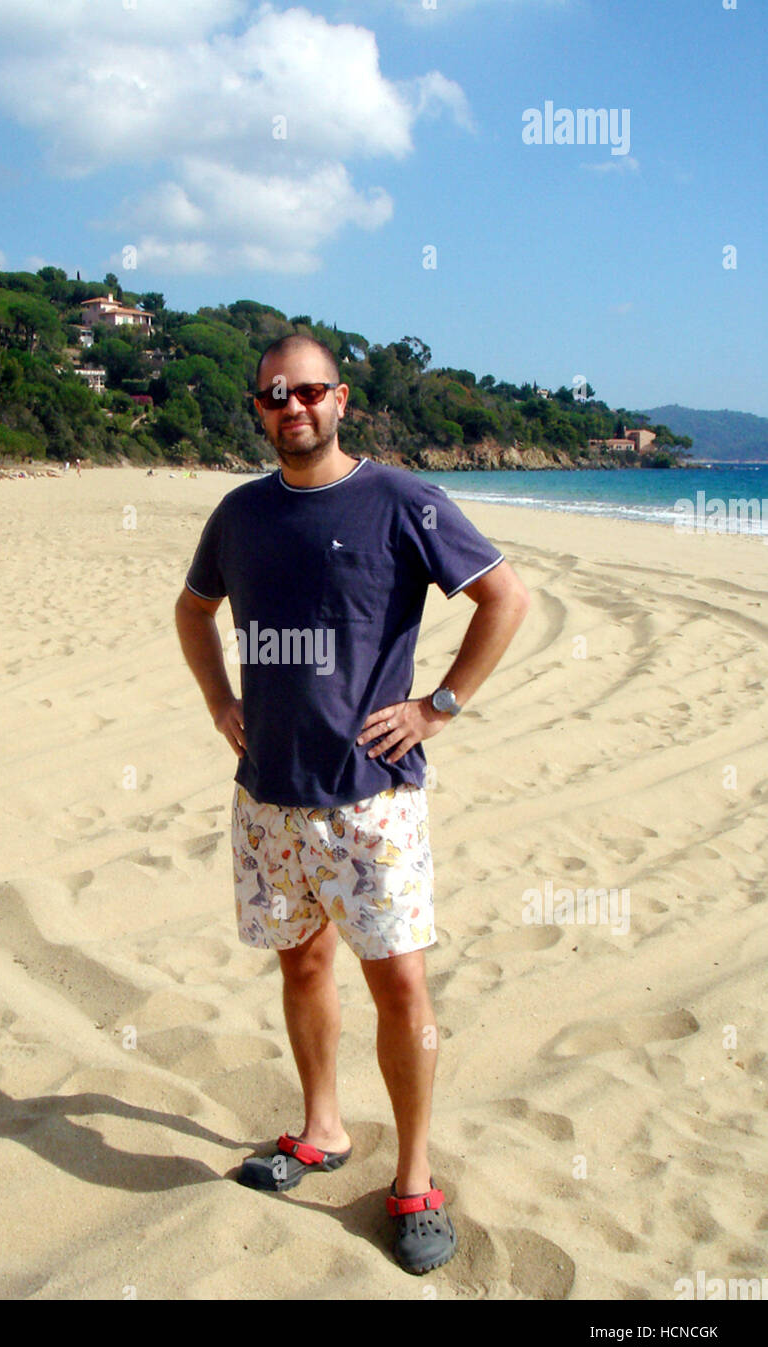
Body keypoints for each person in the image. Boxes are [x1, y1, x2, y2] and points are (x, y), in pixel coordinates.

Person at [175, 333, 531, 1275]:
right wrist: (220, 700)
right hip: (270, 798)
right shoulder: (241, 512)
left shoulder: (403, 500)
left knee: (401, 984)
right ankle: (321, 1129)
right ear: (257, 410)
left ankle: (413, 1179)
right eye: (272, 396)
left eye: (308, 392)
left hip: (371, 799)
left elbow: (504, 597)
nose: (291, 407)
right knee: (300, 970)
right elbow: (192, 609)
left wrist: (437, 705)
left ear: (343, 399)